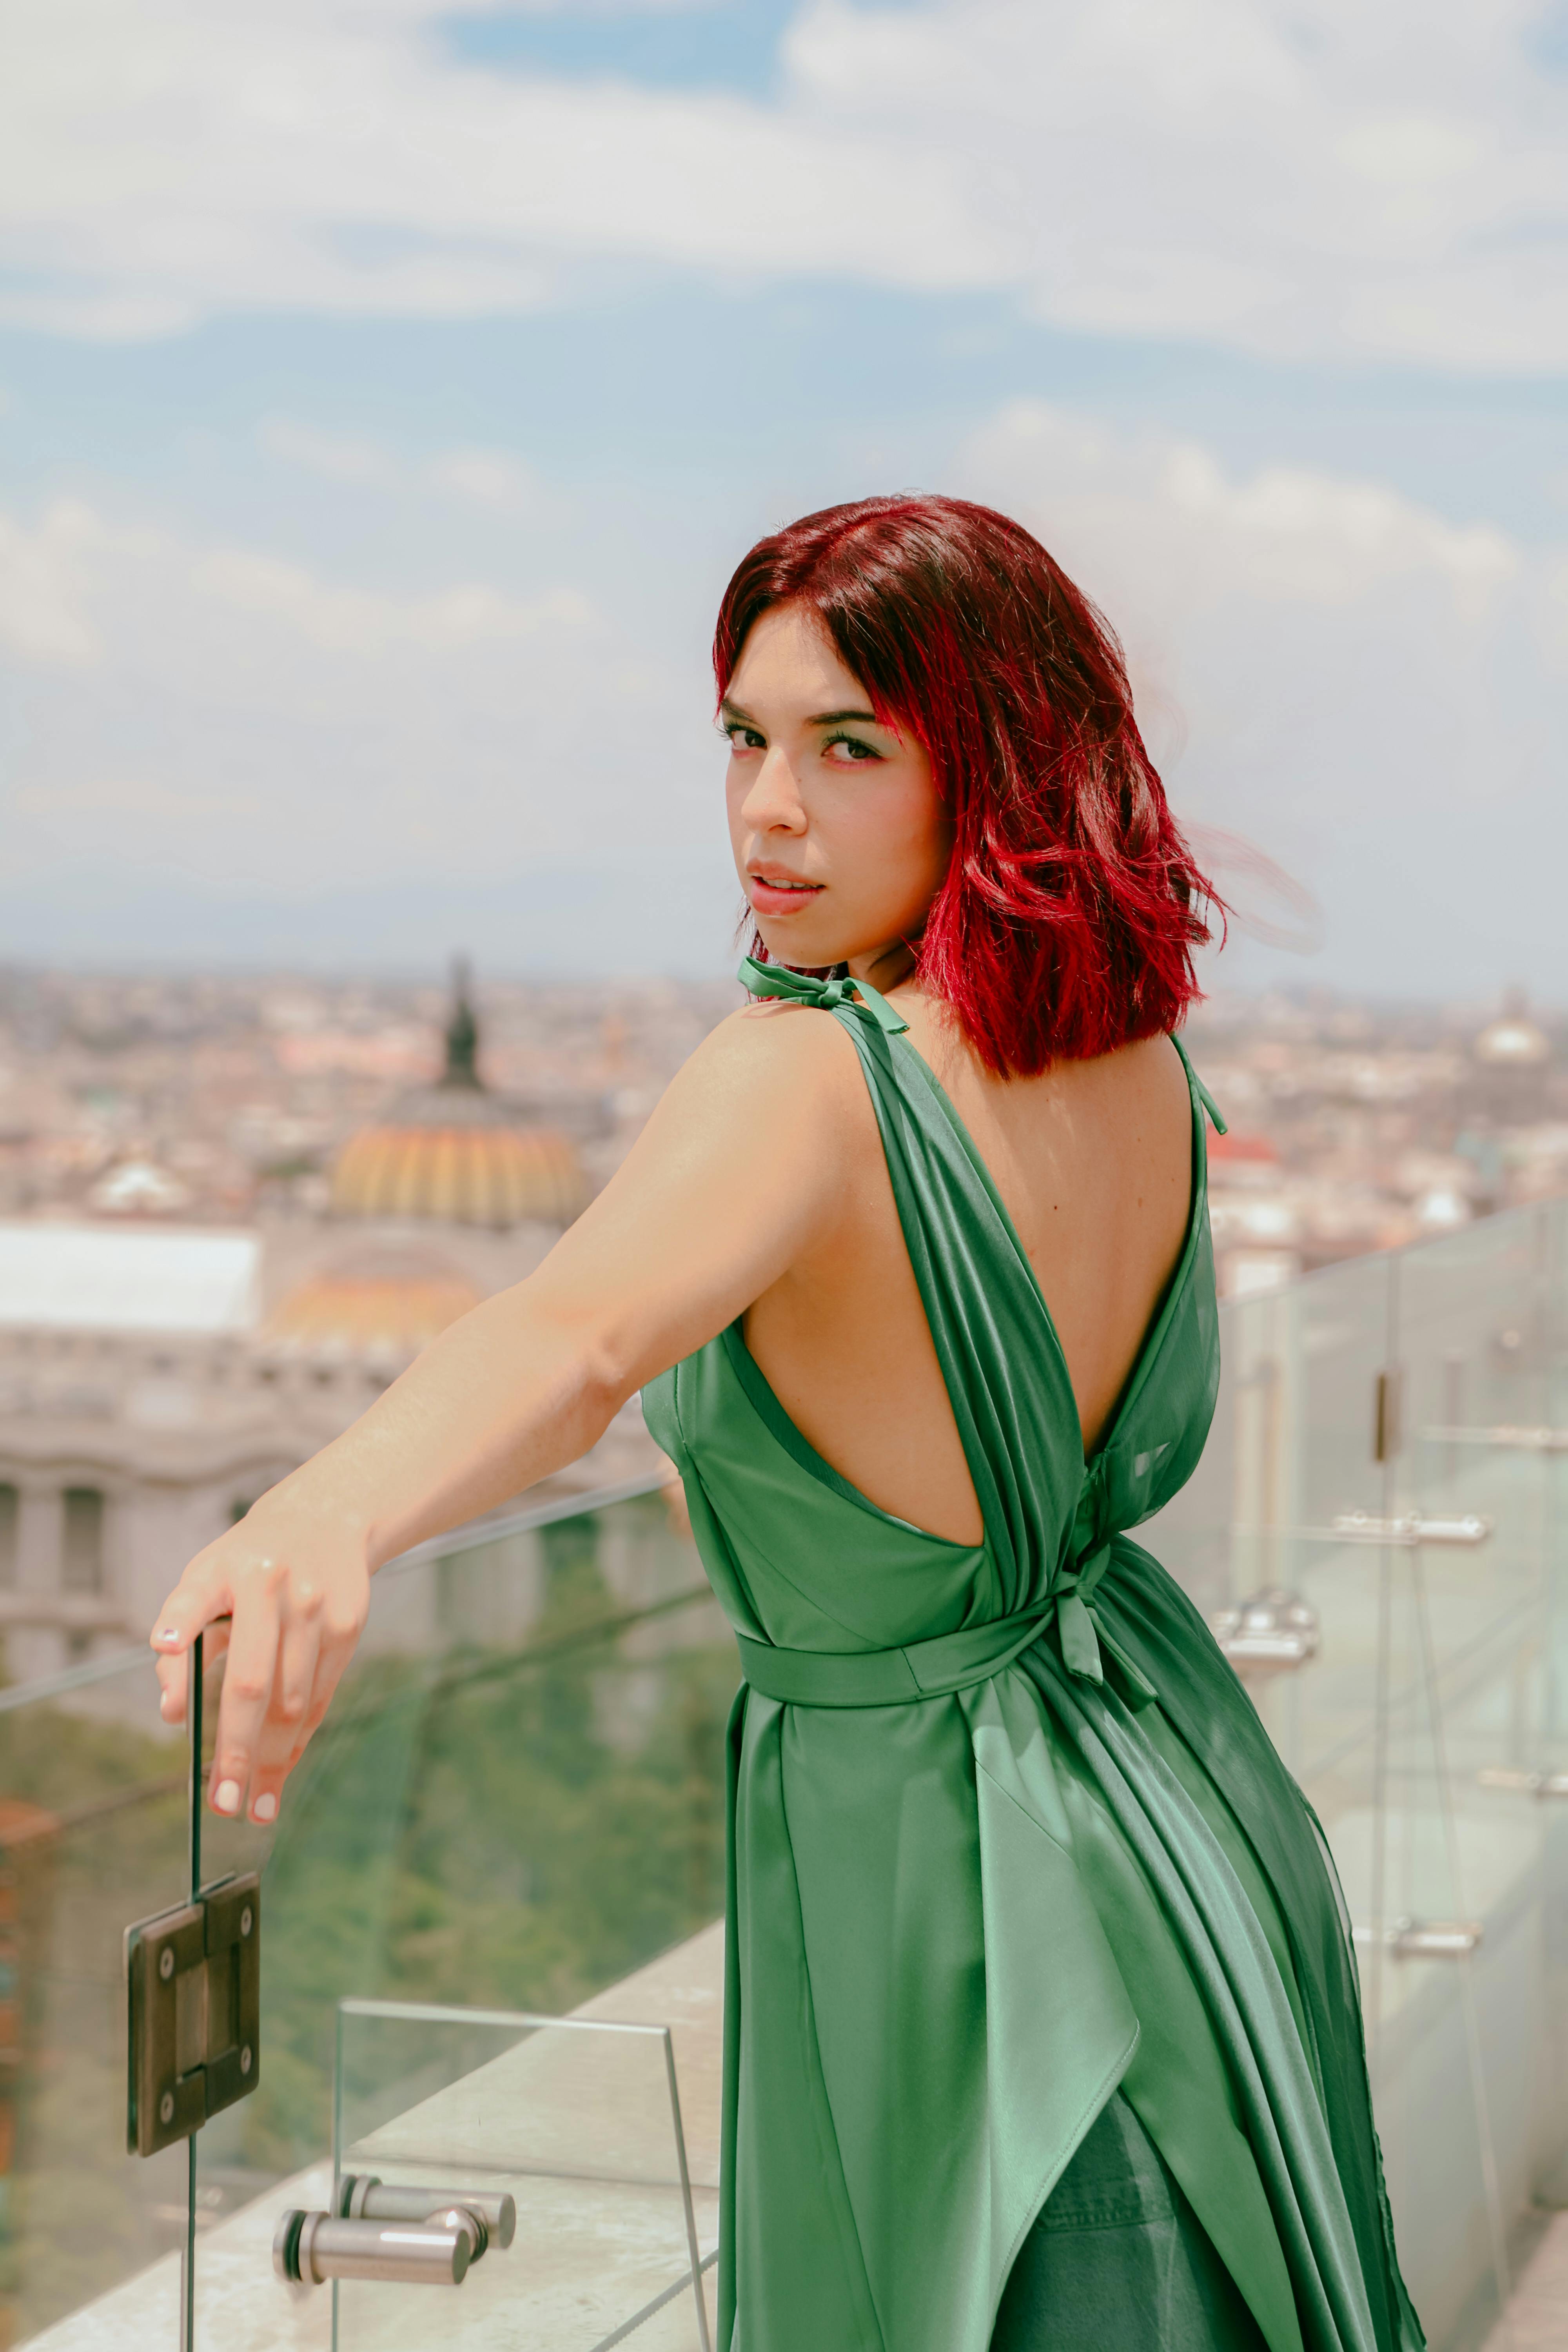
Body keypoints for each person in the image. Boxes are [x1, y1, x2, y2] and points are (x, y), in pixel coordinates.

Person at [151, 495, 1423, 2352]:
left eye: (848, 748)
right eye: (744, 739)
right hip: (1178, 1819)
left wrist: (324, 1506)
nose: (767, 811)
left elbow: (574, 1338)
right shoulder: (1136, 1060)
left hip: (949, 1884)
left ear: (992, 761)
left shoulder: (805, 1078)